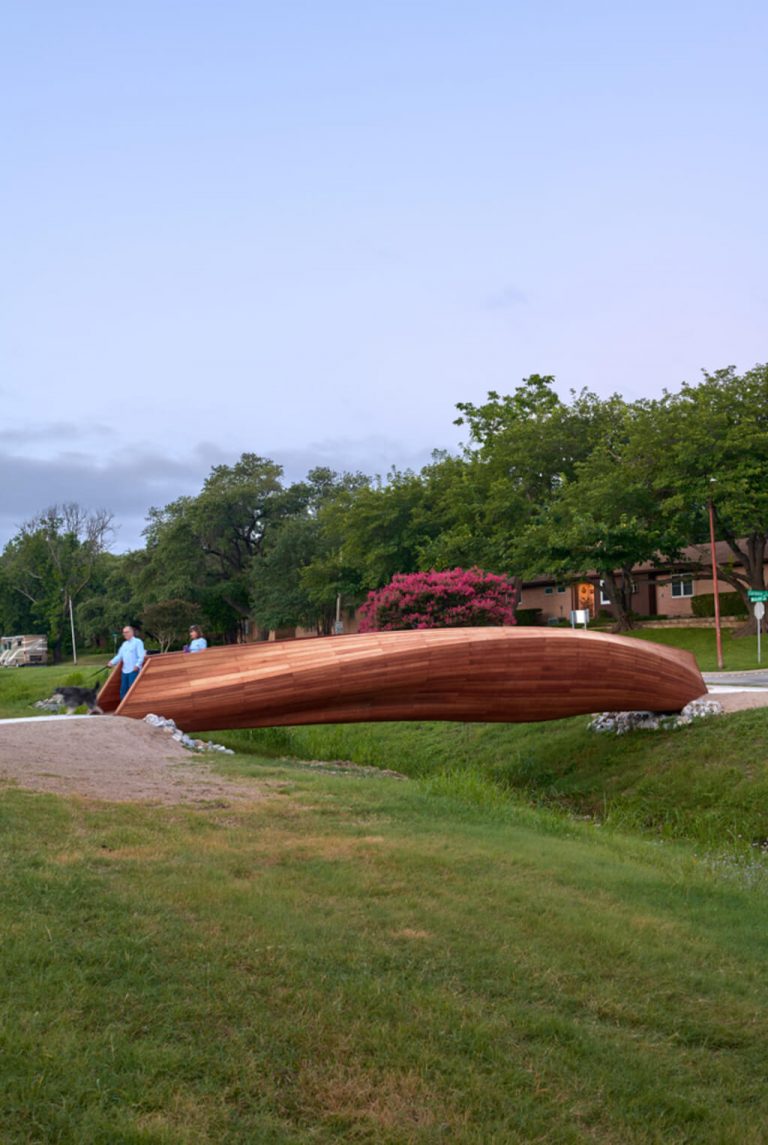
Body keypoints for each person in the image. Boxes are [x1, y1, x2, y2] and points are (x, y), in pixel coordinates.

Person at [108, 625, 146, 699]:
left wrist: (137, 665)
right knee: (123, 690)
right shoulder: (124, 644)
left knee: (132, 690)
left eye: (126, 632)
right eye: (123, 632)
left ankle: (133, 707)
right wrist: (111, 662)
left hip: (134, 671)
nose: (125, 634)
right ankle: (123, 708)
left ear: (131, 632)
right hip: (125, 671)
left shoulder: (138, 642)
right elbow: (119, 656)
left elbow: (141, 656)